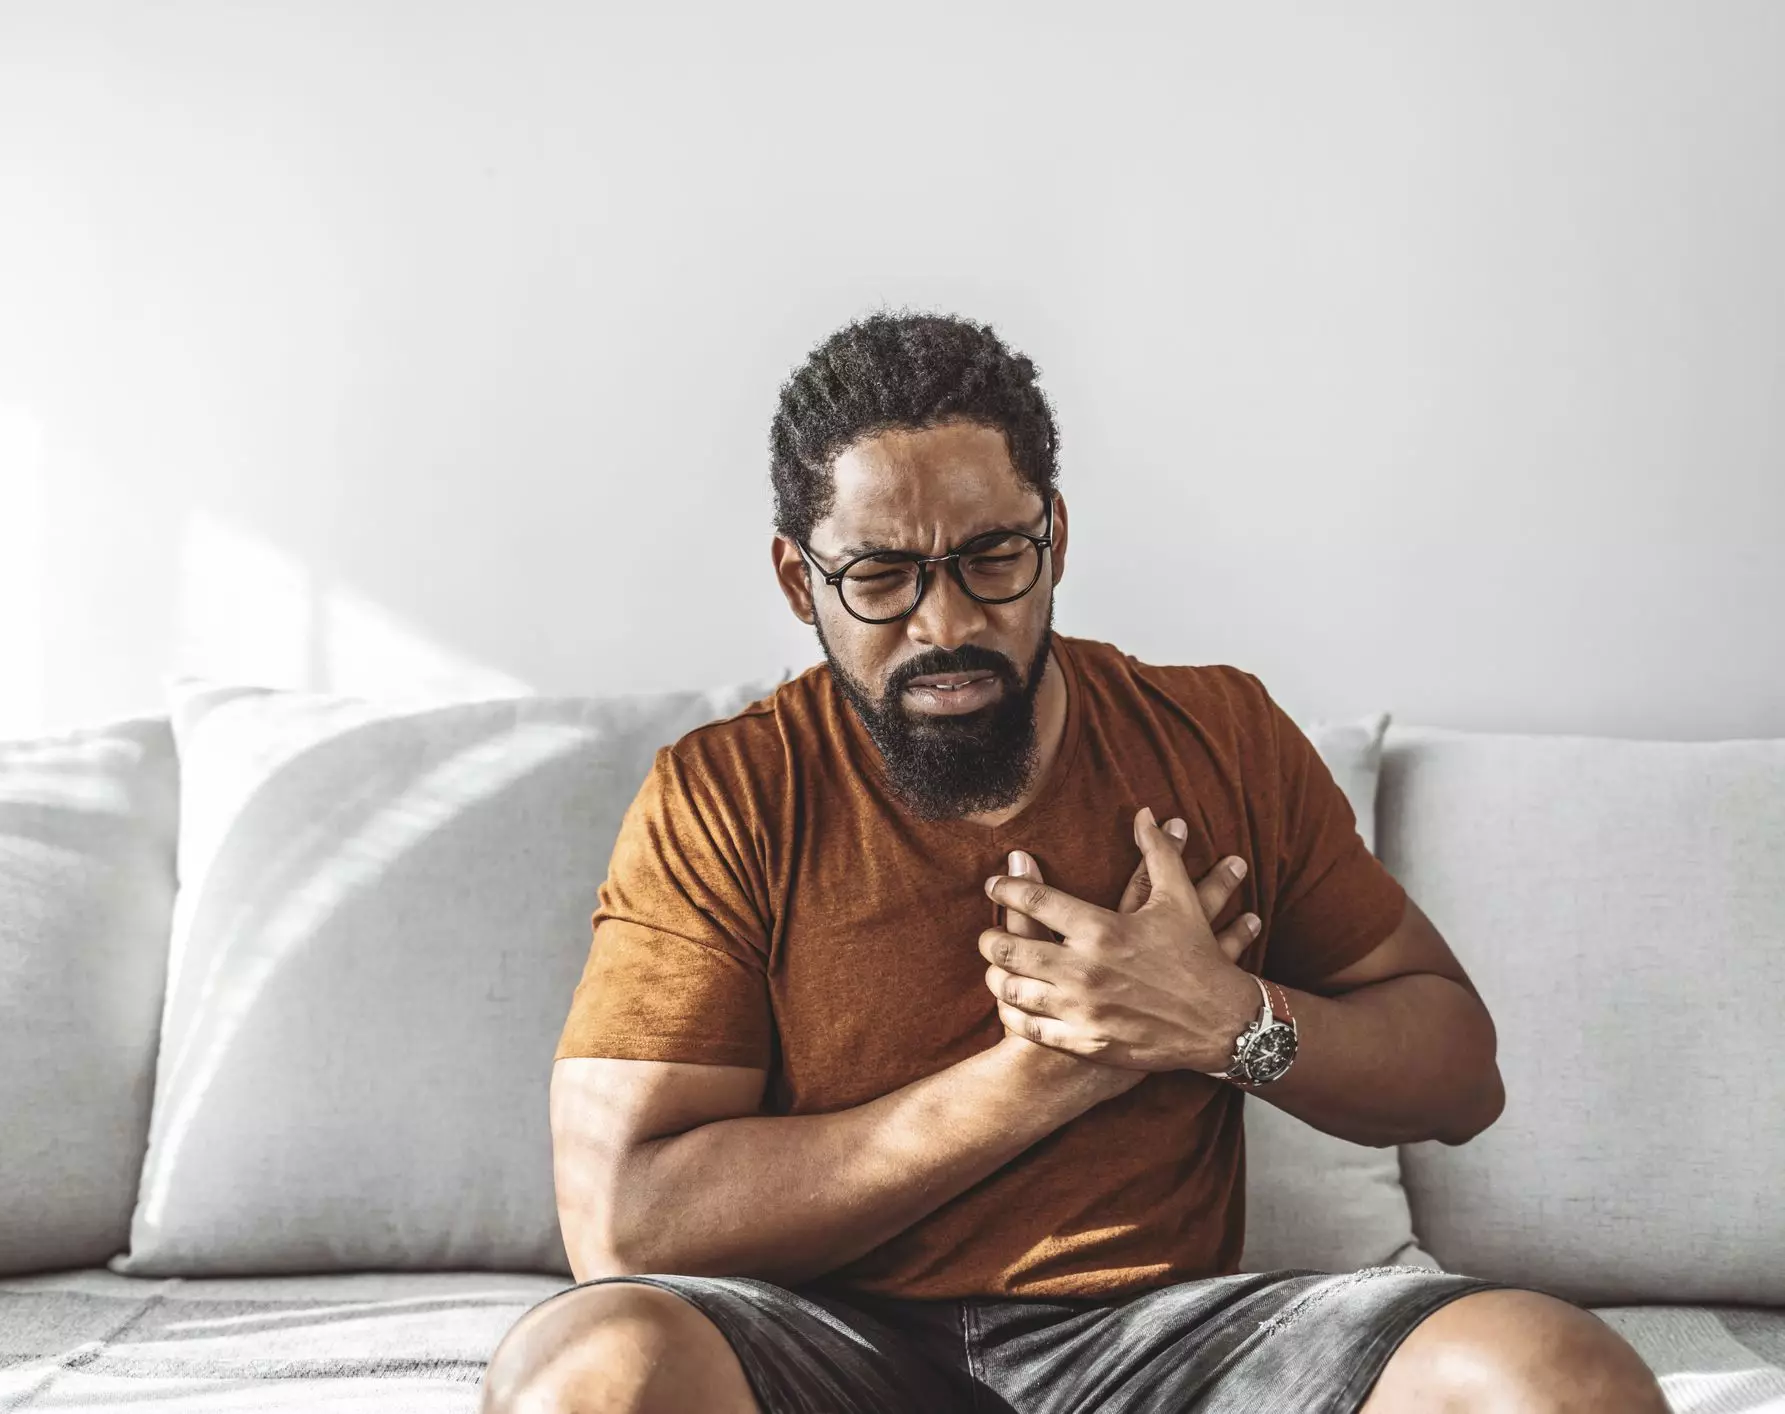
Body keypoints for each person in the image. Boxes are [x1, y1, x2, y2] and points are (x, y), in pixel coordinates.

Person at [480, 312, 1667, 1413]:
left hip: (1165, 1339)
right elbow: (625, 1224)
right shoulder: (729, 792)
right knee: (590, 1368)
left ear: (1055, 539)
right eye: (881, 577)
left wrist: (1226, 1021)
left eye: (991, 556)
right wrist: (1050, 1069)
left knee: (1553, 1373)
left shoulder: (1219, 735)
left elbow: (1460, 1074)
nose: (943, 624)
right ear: (801, 581)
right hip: (823, 1336)